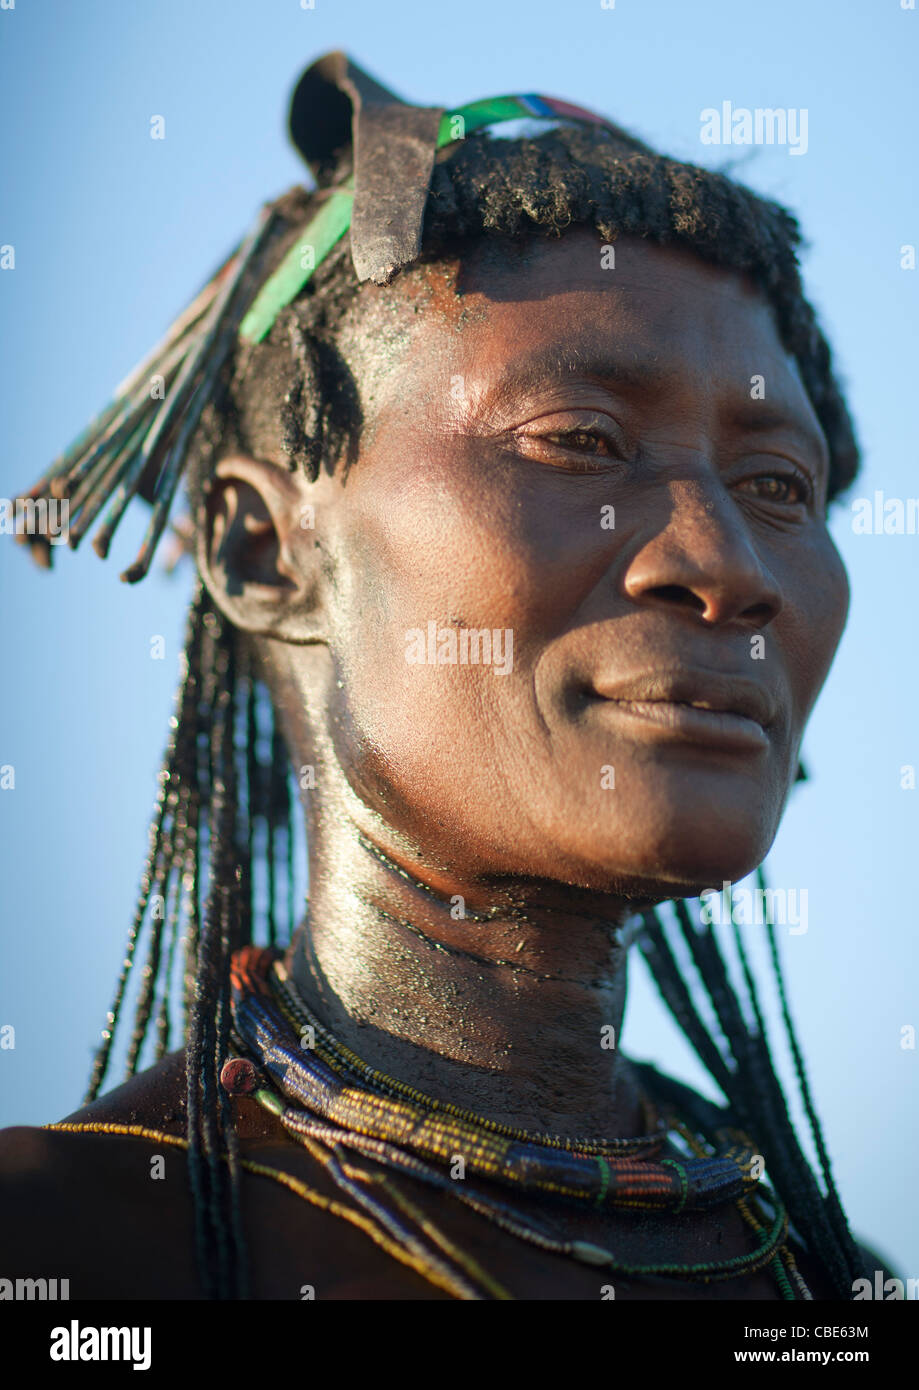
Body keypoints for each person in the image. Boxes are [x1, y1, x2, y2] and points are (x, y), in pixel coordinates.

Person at [0, 50, 888, 1301]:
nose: (722, 565)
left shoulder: (822, 1288)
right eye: (581, 441)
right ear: (267, 552)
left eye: (778, 487)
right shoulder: (62, 1253)